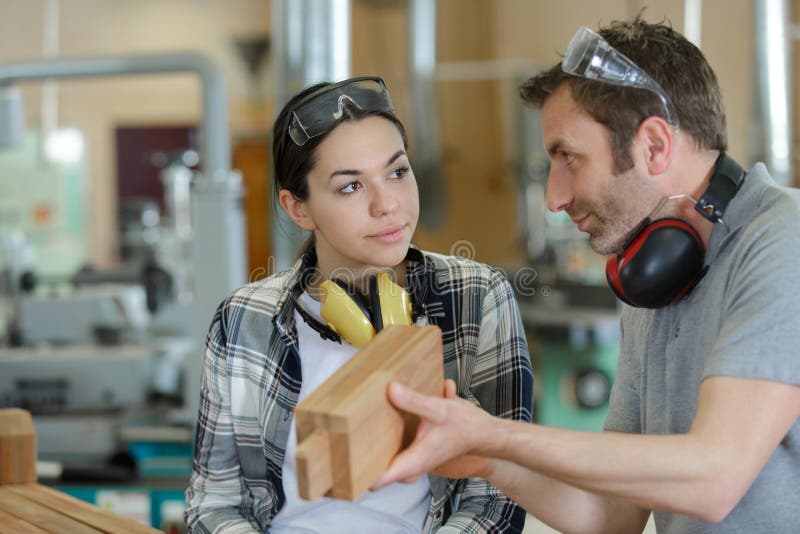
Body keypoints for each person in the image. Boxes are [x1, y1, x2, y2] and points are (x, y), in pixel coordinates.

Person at [373, 17, 800, 534]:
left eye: (569, 158)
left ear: (654, 146)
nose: (555, 197)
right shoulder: (655, 278)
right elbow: (610, 514)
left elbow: (715, 476)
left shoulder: (783, 240)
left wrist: (492, 435)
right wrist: (482, 458)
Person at [184, 76, 534, 533]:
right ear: (298, 209)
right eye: (350, 187)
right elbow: (214, 501)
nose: (387, 204)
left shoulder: (477, 296)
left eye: (397, 172)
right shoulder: (244, 320)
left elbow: (497, 498)